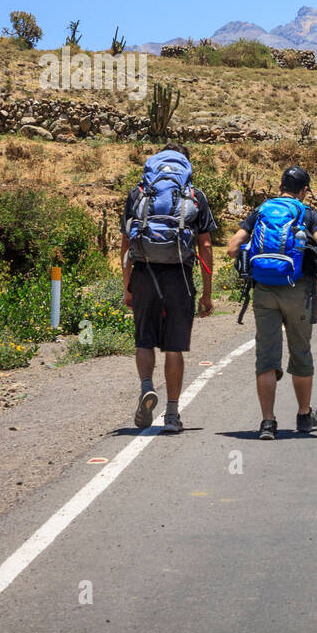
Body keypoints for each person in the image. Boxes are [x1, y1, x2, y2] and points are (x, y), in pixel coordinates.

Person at [225, 166, 317, 440]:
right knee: (301, 353)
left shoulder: (261, 211)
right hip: (298, 292)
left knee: (266, 358)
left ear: (280, 185)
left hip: (263, 292)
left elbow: (231, 247)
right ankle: (304, 414)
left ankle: (267, 422)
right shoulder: (307, 214)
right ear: (304, 190)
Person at [121, 144, 217, 433]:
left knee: (144, 340)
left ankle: (147, 387)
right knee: (174, 348)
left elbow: (125, 244)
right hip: (180, 275)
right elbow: (207, 246)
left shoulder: (139, 194)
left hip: (144, 272)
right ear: (185, 165)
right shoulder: (194, 197)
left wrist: (128, 287)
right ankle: (172, 415)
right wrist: (207, 293)